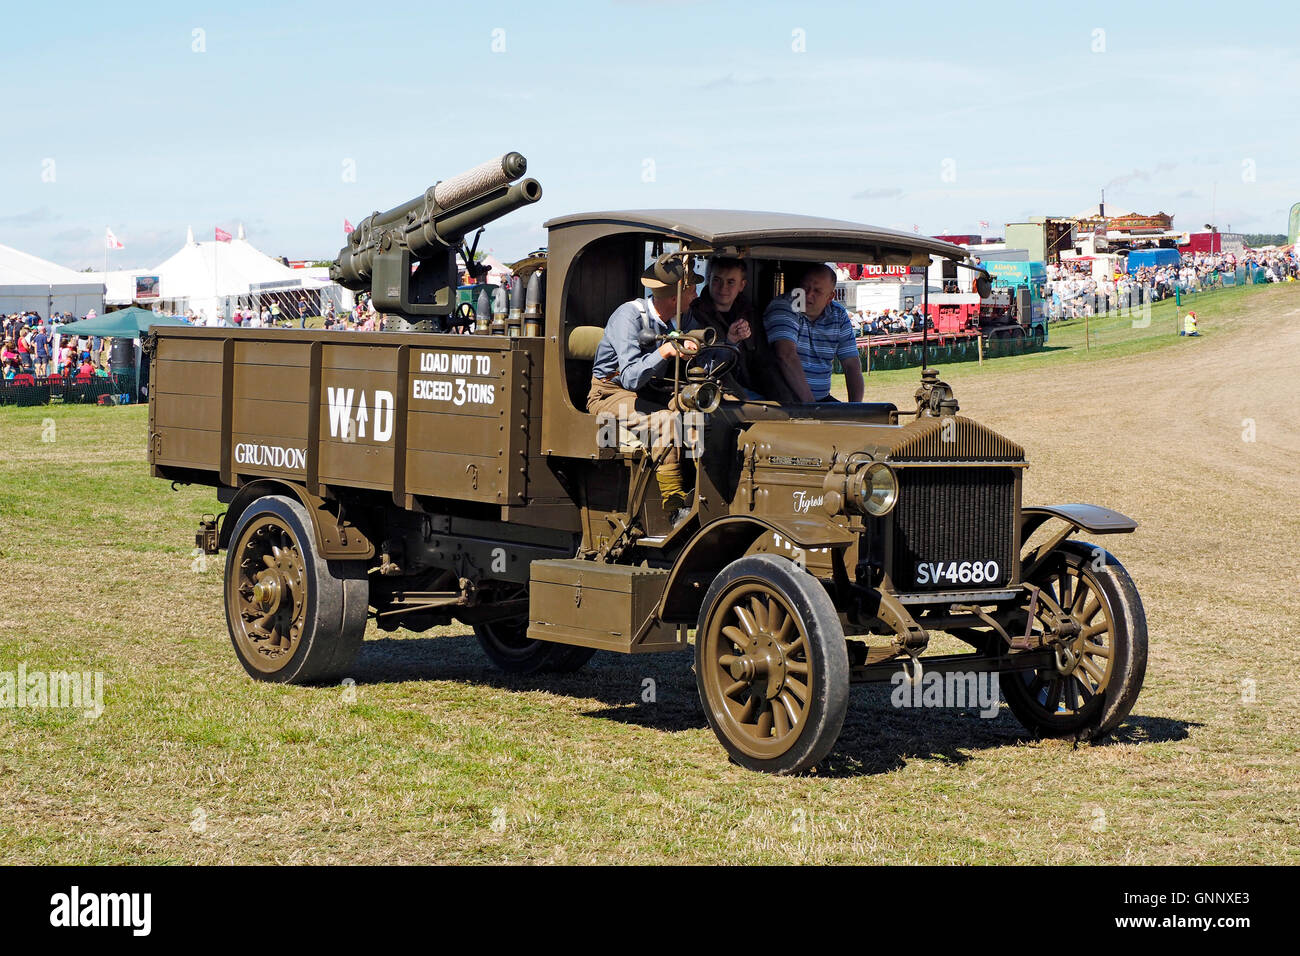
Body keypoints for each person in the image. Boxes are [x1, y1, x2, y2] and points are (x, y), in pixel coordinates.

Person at [587, 254, 701, 524]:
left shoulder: (681, 318)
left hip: (654, 392)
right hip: (609, 394)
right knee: (667, 421)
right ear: (674, 298)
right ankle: (674, 507)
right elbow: (629, 378)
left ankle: (707, 496)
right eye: (692, 291)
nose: (696, 296)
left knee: (700, 413)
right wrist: (664, 351)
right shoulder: (629, 316)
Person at [682, 255, 789, 401]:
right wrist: (729, 342)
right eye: (717, 280)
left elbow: (764, 362)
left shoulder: (750, 315)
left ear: (742, 285)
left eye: (730, 282)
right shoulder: (694, 315)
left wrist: (787, 401)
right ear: (709, 279)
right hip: (713, 394)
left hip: (752, 389)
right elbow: (702, 368)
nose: (723, 288)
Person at [763, 262, 864, 403]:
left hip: (818, 401)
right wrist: (812, 408)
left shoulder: (838, 314)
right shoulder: (784, 307)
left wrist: (856, 408)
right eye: (805, 288)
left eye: (817, 291)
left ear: (830, 297)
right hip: (783, 403)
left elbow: (851, 364)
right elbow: (786, 355)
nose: (808, 295)